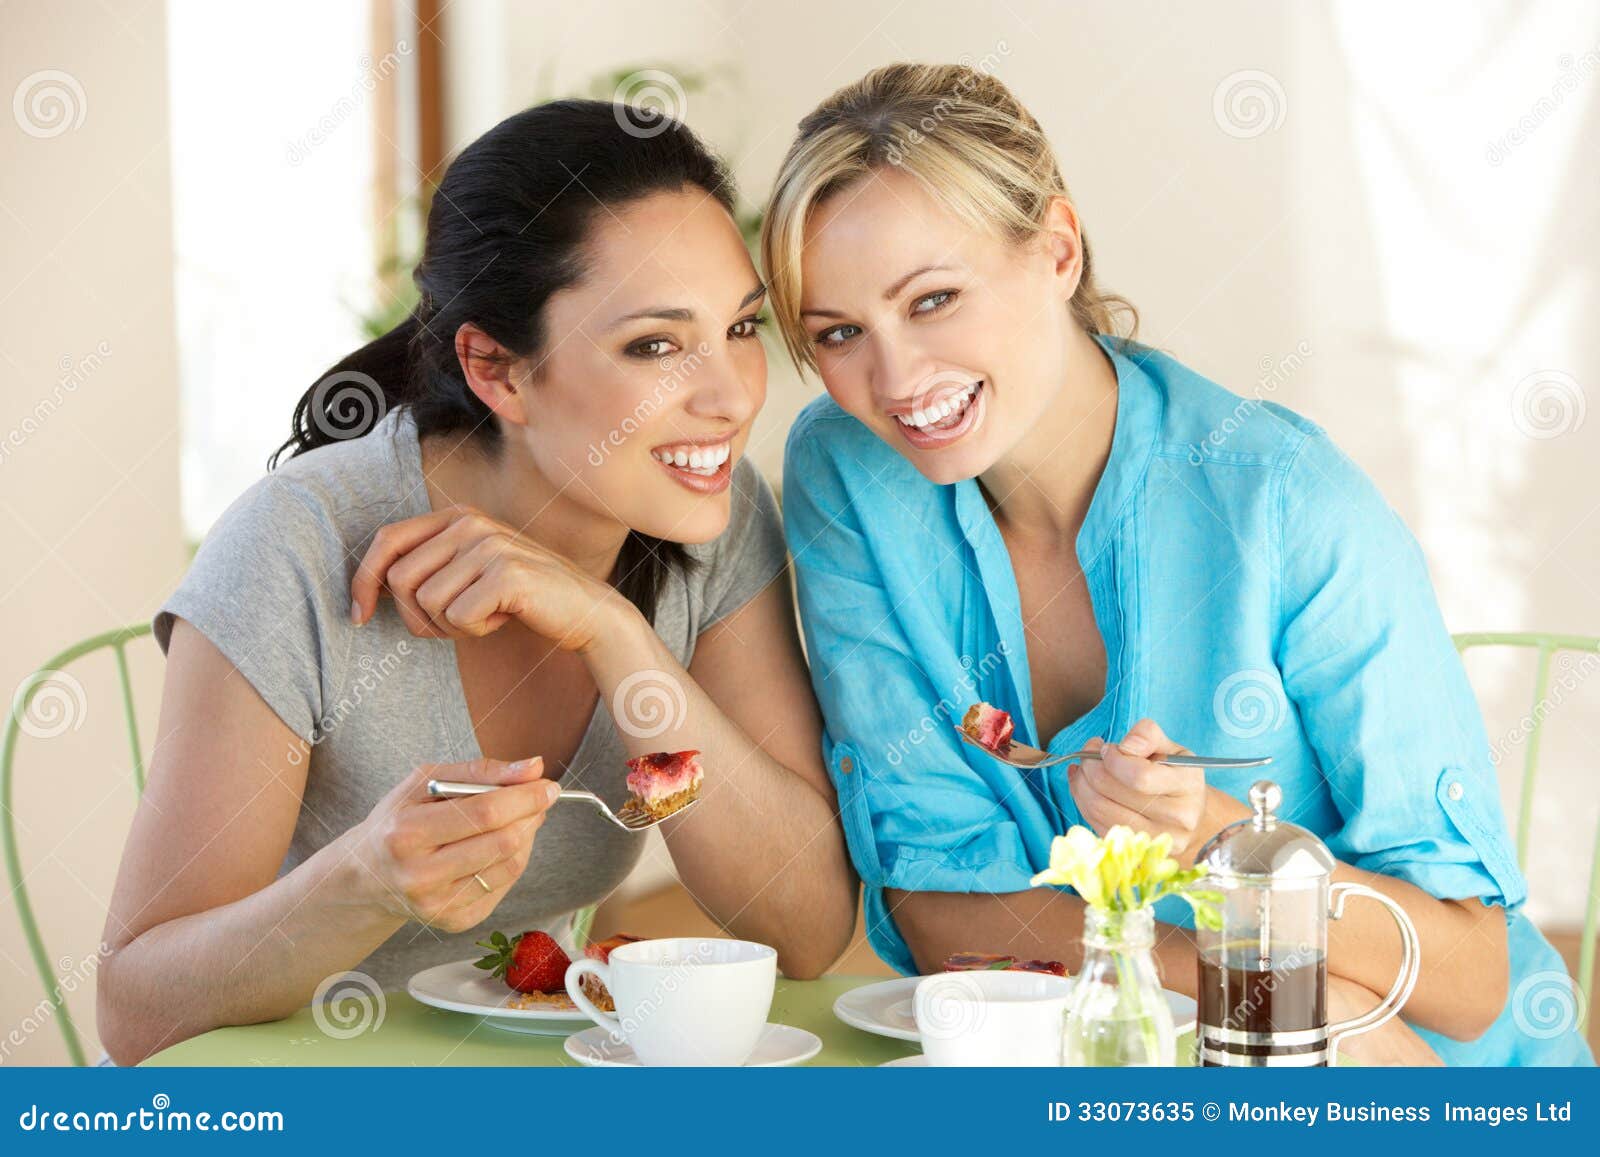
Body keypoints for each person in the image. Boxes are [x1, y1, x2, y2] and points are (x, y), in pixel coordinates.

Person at [763, 62, 1591, 1066]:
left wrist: (1218, 845)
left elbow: (1467, 979)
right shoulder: (849, 471)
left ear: (1056, 250)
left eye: (933, 299)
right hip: (1115, 1055)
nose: (894, 379)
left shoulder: (1283, 499)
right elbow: (944, 909)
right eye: (839, 333)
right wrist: (1272, 978)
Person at [97, 100, 855, 1065]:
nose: (734, 394)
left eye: (740, 326)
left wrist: (616, 632)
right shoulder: (296, 544)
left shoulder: (710, 508)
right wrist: (364, 880)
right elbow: (134, 1008)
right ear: (497, 370)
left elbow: (805, 927)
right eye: (656, 346)